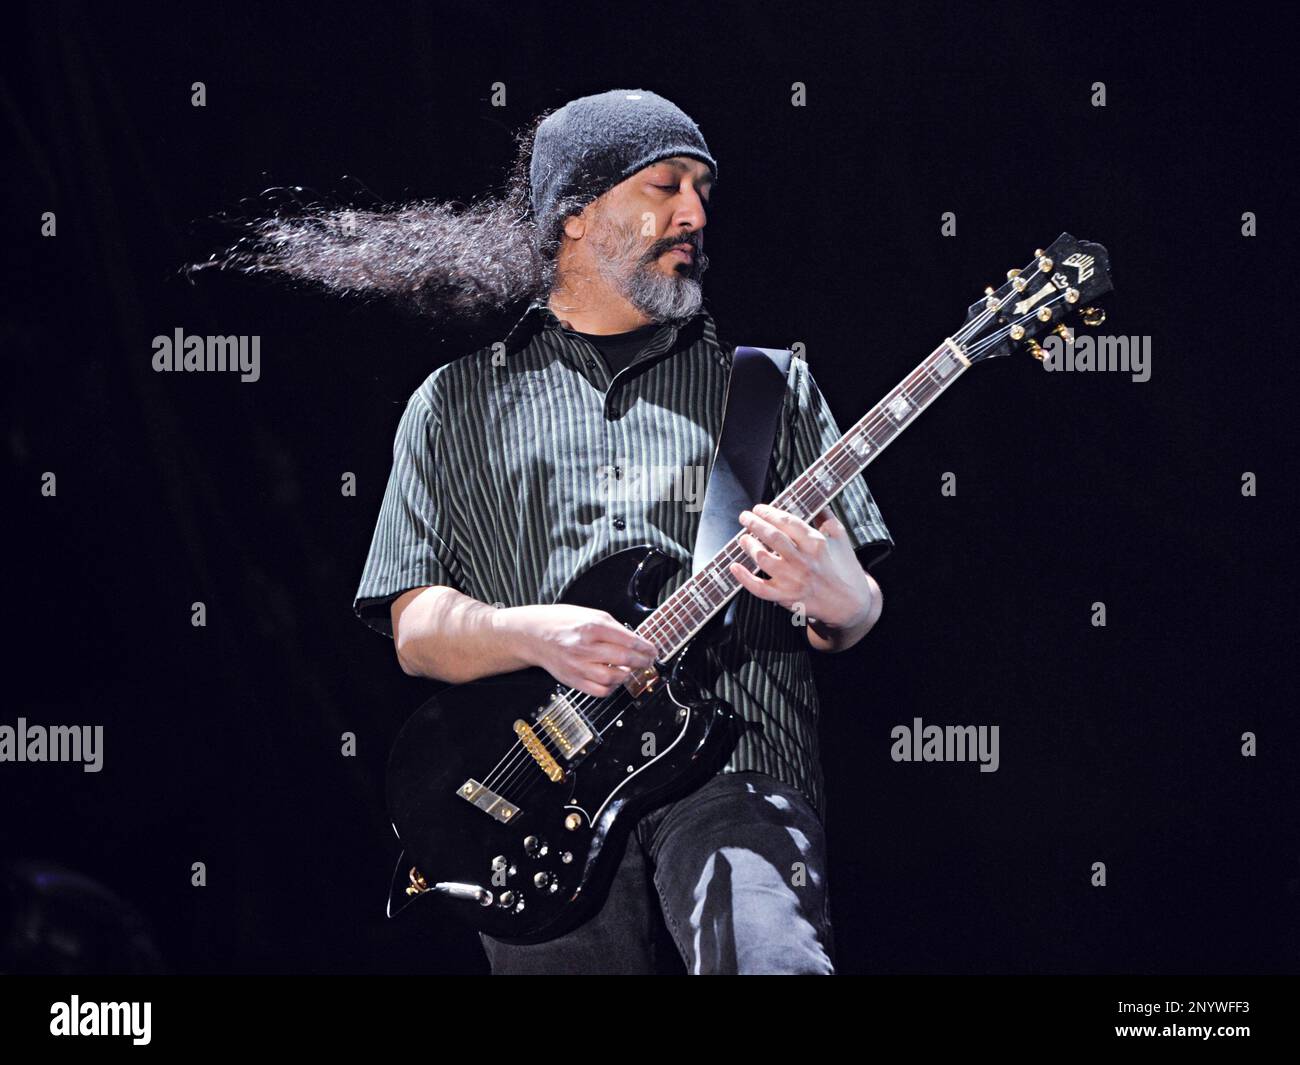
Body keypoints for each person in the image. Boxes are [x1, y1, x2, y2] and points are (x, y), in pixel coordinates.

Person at [208, 87, 894, 972]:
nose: (694, 213)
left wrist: (845, 600)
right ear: (575, 215)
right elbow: (416, 634)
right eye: (666, 185)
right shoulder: (453, 403)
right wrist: (537, 633)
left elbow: (852, 611)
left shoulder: (765, 388)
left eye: (704, 192)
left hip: (738, 763)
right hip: (537, 792)